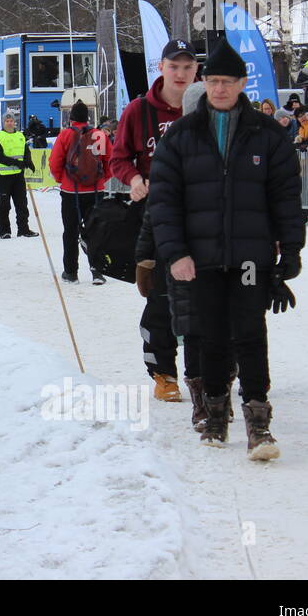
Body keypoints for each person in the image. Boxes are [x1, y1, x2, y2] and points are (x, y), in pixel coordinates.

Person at [148, 37, 304, 459]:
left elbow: (286, 197)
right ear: (204, 81)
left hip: (251, 256)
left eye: (227, 81)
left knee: (251, 334)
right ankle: (215, 413)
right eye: (213, 80)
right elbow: (164, 201)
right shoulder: (181, 135)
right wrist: (175, 252)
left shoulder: (268, 135)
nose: (219, 89)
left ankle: (259, 421)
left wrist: (290, 250)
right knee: (211, 336)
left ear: (241, 84)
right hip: (201, 258)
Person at [110, 38, 198, 401]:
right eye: (174, 66)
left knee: (209, 295)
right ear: (161, 68)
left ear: (196, 71)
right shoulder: (139, 111)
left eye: (187, 67)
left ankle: (210, 367)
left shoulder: (207, 106)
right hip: (159, 218)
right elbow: (117, 158)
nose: (180, 74)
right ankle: (163, 372)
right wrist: (133, 179)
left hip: (204, 215)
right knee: (162, 296)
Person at [49, 99, 108, 284]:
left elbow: (55, 162)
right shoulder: (99, 134)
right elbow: (111, 161)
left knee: (70, 232)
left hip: (71, 192)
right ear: (88, 117)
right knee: (95, 231)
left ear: (72, 118)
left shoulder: (66, 135)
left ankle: (71, 272)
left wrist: (62, 179)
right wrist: (101, 180)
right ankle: (97, 270)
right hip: (96, 192)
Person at [0, 113, 37, 239]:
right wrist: (17, 163)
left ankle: (23, 229)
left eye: (11, 121)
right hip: (4, 176)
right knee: (5, 205)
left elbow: (26, 151)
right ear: (3, 123)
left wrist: (29, 162)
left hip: (18, 176)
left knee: (22, 204)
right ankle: (4, 231)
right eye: (7, 121)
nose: (10, 123)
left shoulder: (20, 136)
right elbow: (0, 157)